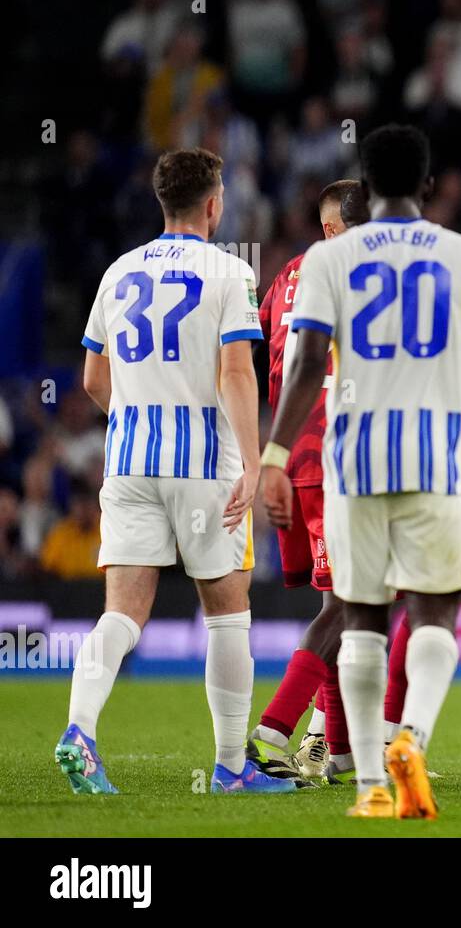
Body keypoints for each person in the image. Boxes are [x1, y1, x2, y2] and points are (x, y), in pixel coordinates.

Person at [259, 124, 461, 819]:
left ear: (364, 188)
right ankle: (413, 738)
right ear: (428, 184)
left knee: (360, 617)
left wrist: (275, 458)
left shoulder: (327, 261)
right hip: (433, 454)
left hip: (350, 460)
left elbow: (306, 366)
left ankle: (369, 780)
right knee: (433, 613)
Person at [57, 148, 294, 795]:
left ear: (162, 202)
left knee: (122, 614)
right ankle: (229, 767)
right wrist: (252, 460)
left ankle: (80, 729)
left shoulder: (117, 271)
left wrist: (134, 417)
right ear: (215, 203)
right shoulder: (229, 271)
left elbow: (92, 379)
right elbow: (238, 371)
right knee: (227, 612)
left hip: (130, 461)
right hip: (203, 468)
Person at [245, 179, 368, 786]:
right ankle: (274, 729)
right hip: (339, 460)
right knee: (349, 604)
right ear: (335, 229)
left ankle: (340, 749)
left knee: (341, 602)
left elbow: (258, 357)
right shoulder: (357, 275)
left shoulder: (282, 280)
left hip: (295, 456)